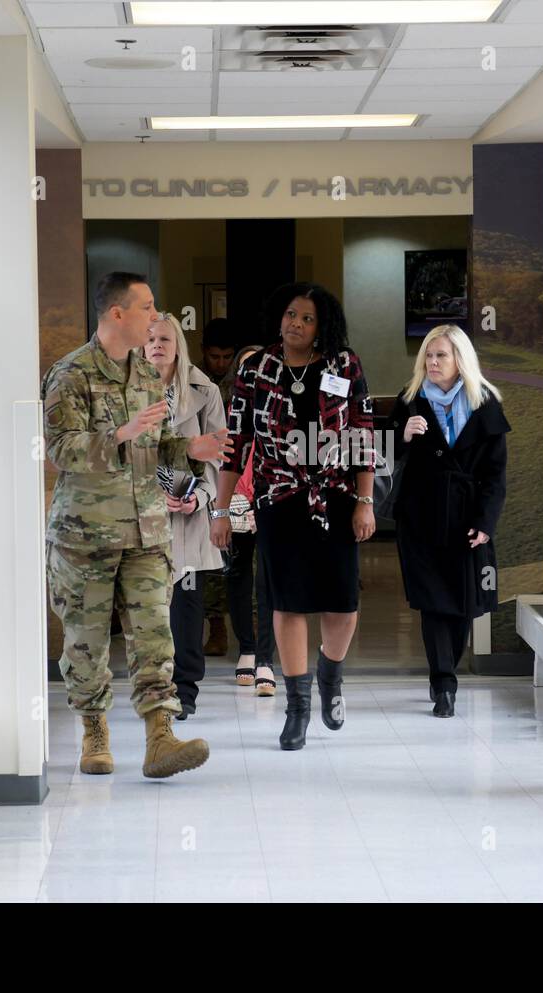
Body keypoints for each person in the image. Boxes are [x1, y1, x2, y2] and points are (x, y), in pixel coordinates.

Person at [42, 271, 232, 777]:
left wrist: (191, 447)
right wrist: (121, 434)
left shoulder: (147, 375)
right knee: (86, 640)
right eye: (147, 307)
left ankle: (159, 738)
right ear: (117, 314)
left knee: (154, 633)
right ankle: (94, 734)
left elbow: (158, 444)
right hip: (87, 536)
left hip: (148, 531)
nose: (155, 315)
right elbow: (61, 451)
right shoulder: (71, 374)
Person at [210, 283, 376, 750]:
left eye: (306, 318)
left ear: (322, 325)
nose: (295, 325)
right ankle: (298, 706)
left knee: (343, 603)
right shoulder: (257, 369)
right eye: (290, 315)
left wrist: (365, 501)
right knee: (288, 602)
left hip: (338, 497)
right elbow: (235, 445)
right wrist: (221, 510)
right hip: (278, 500)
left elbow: (362, 432)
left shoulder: (344, 364)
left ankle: (331, 674)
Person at [387, 324, 509, 718]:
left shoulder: (485, 404)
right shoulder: (410, 401)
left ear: (461, 359)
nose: (433, 362)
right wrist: (402, 435)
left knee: (461, 603)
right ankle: (443, 685)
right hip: (420, 516)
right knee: (432, 602)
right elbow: (377, 455)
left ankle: (448, 670)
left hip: (466, 518)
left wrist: (485, 521)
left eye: (441, 355)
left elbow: (495, 473)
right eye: (429, 355)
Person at [142, 313, 226, 720]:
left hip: (190, 513)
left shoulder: (204, 390)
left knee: (186, 603)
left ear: (178, 345)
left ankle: (186, 689)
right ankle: (153, 686)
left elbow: (218, 454)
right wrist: (155, 488)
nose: (157, 345)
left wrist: (202, 498)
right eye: (150, 338)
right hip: (144, 512)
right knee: (148, 604)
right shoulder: (128, 390)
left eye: (165, 339)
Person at [222, 345, 277, 694]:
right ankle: (246, 648)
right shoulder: (225, 407)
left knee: (270, 579)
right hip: (238, 495)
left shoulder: (282, 406)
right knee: (238, 573)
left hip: (275, 494)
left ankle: (267, 659)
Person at [198, 317, 239, 659]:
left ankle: (251, 639)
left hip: (238, 477)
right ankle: (215, 628)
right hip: (202, 475)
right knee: (209, 560)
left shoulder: (242, 382)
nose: (221, 363)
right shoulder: (192, 382)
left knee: (240, 558)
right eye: (215, 356)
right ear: (204, 354)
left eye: (227, 356)